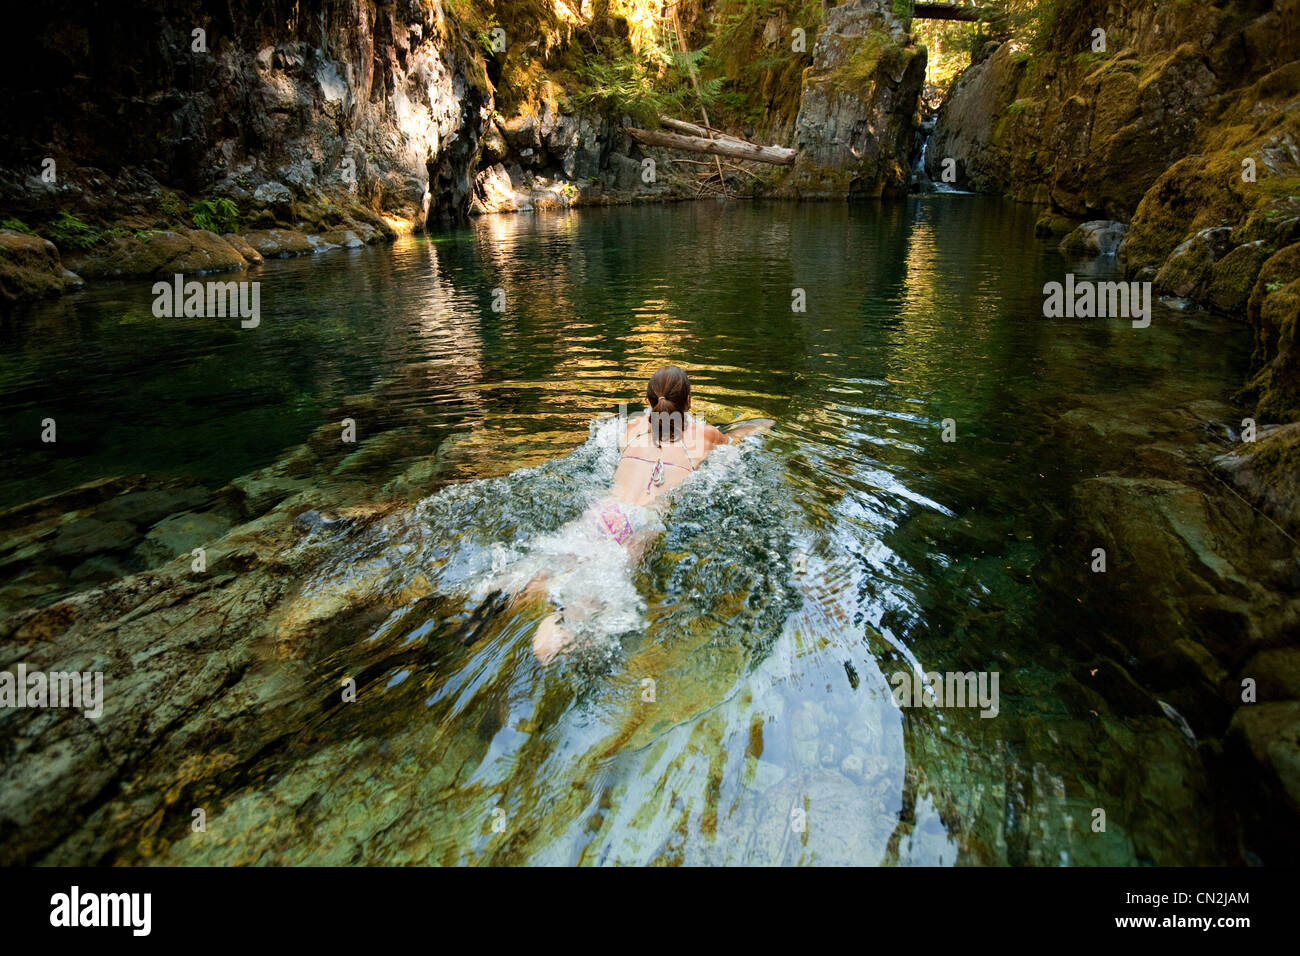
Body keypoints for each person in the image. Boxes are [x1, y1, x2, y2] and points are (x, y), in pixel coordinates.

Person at [530, 366, 767, 664]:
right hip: (639, 522)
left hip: (605, 509)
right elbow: (734, 441)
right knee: (584, 606)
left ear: (649, 400)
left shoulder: (632, 428)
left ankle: (502, 601)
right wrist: (759, 426)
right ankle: (549, 643)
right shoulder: (706, 435)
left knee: (545, 569)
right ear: (689, 401)